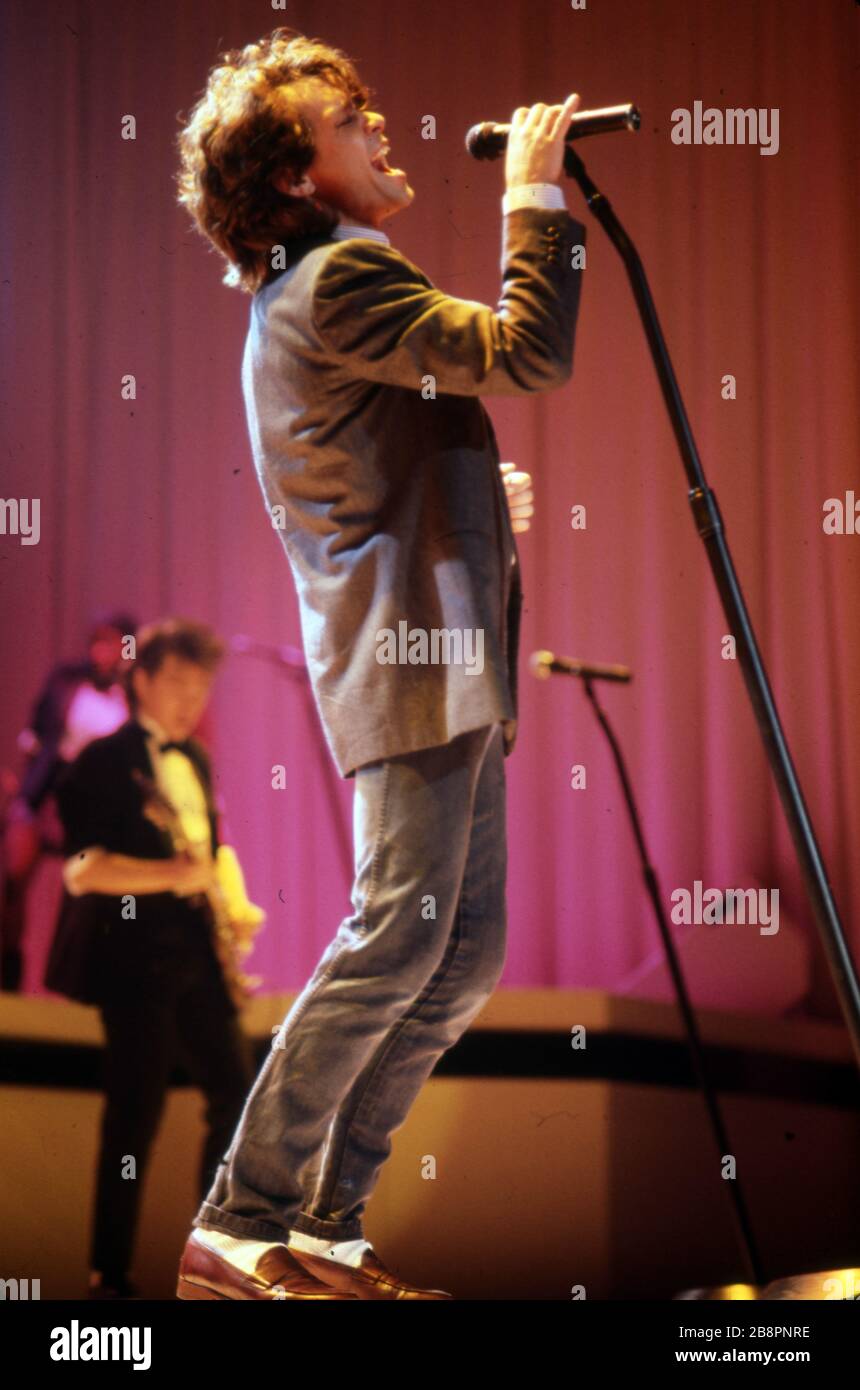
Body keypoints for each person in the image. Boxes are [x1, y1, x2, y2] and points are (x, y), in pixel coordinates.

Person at [174, 26, 587, 1300]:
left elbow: (360, 476)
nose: (374, 121)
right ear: (295, 177)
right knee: (394, 940)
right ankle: (242, 1217)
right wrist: (534, 197)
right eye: (342, 117)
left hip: (440, 650)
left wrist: (464, 501)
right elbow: (529, 351)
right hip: (409, 664)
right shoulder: (336, 281)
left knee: (457, 956)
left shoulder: (323, 288)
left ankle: (331, 1227)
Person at [51, 618, 264, 1299]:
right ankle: (109, 1277)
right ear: (138, 678)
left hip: (196, 956)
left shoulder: (195, 759)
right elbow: (81, 871)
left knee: (237, 1096)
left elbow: (211, 851)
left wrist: (232, 904)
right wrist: (168, 875)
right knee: (133, 1116)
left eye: (201, 686)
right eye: (176, 681)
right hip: (133, 961)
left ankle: (206, 1259)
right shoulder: (101, 760)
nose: (190, 697)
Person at [0, 611, 136, 992]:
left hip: (92, 807)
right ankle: (8, 980)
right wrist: (22, 790)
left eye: (109, 642)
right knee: (12, 877)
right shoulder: (66, 681)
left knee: (85, 895)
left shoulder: (132, 697)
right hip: (46, 795)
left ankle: (76, 986)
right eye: (95, 640)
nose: (99, 649)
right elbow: (37, 737)